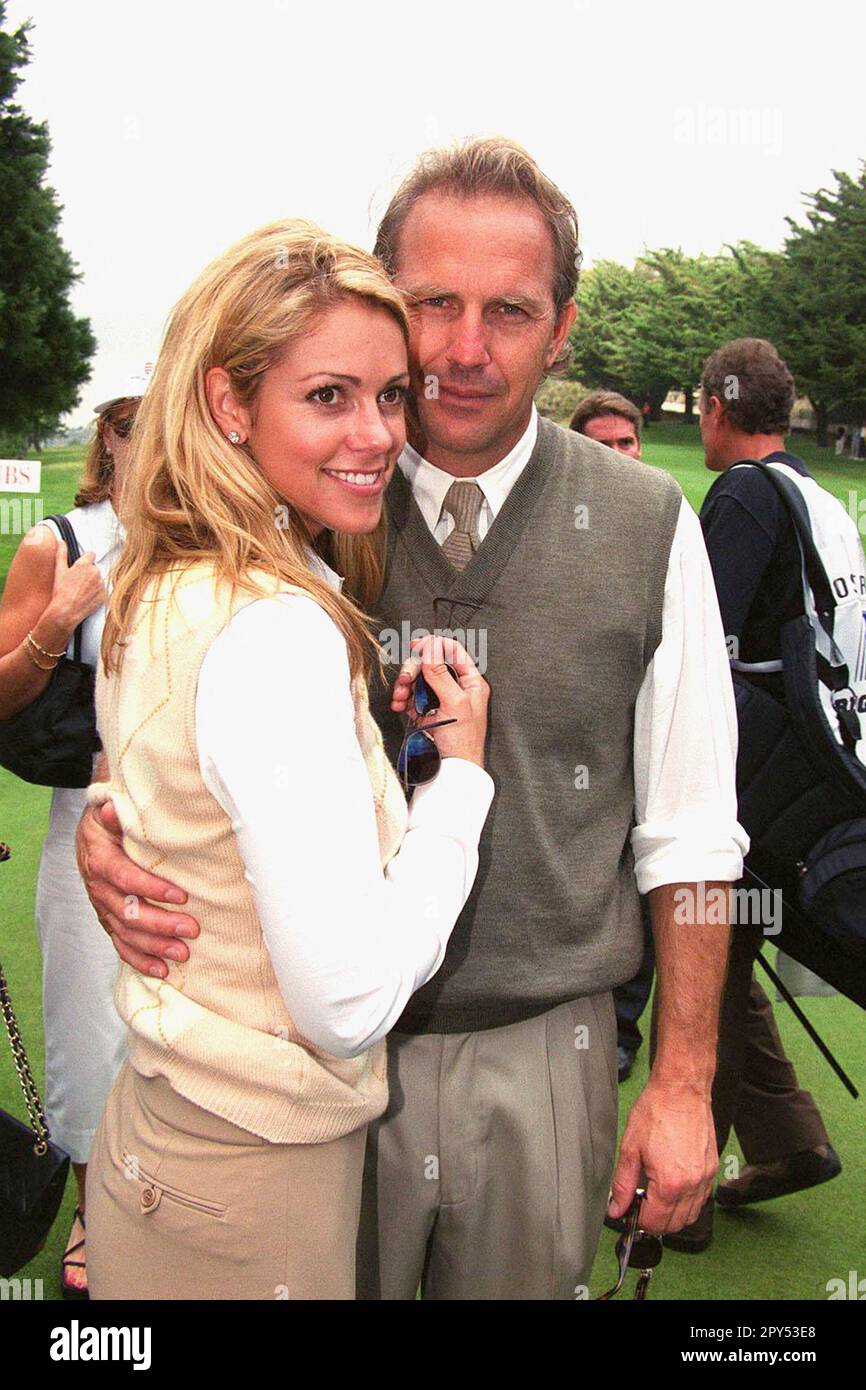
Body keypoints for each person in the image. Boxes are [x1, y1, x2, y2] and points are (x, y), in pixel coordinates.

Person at [78, 139, 747, 1301]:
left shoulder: (646, 522)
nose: (465, 349)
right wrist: (112, 812)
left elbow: (689, 829)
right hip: (306, 1072)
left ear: (564, 325)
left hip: (542, 1049)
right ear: (387, 301)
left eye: (510, 309)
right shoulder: (304, 489)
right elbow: (185, 698)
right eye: (433, 303)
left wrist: (685, 1081)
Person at [81, 220, 494, 1301]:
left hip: (166, 1138)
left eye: (390, 394)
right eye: (327, 396)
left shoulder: (169, 575)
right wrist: (459, 789)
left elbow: (171, 775)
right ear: (228, 403)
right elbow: (346, 1004)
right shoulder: (272, 626)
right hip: (247, 1179)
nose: (374, 433)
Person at [687, 337, 843, 1253]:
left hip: (749, 793)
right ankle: (789, 1139)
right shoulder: (817, 493)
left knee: (708, 965)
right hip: (804, 787)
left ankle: (685, 1195)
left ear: (715, 405)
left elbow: (698, 640)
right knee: (726, 960)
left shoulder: (746, 492)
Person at [0, 381, 142, 1297]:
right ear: (111, 441)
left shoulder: (215, 533)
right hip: (86, 819)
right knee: (91, 1032)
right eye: (137, 430)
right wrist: (60, 618)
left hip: (200, 827)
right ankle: (93, 1211)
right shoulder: (61, 540)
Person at [570, 388, 654, 1081]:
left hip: (641, 768)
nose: (618, 458)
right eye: (603, 445)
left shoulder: (656, 532)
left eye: (628, 444)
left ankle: (623, 1030)